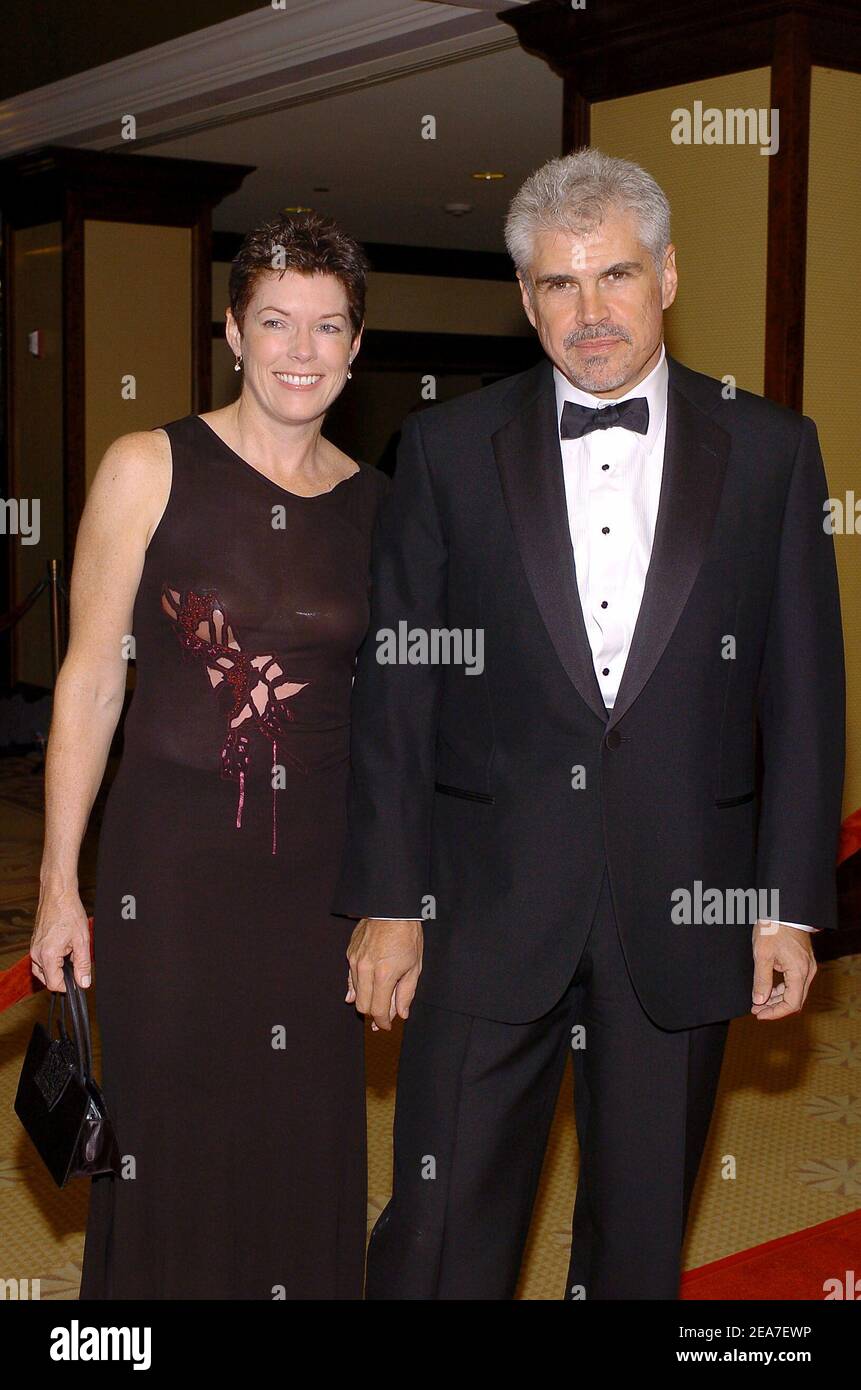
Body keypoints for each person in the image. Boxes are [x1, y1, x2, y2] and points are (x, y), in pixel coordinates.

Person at [333, 148, 846, 1299]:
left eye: (614, 276)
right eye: (558, 285)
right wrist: (384, 897)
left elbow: (804, 694)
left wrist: (788, 903)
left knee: (637, 1244)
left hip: (687, 902)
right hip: (478, 905)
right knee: (438, 1230)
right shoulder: (448, 451)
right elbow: (398, 691)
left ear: (667, 274)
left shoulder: (769, 449)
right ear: (525, 299)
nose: (590, 312)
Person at [30, 211, 389, 1299]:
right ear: (233, 330)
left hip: (317, 883)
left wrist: (395, 899)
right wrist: (58, 884)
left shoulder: (381, 506)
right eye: (274, 320)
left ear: (357, 346)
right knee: (171, 1139)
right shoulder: (149, 465)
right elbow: (91, 680)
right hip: (171, 878)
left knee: (302, 1137)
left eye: (327, 327)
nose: (299, 349)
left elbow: (393, 722)